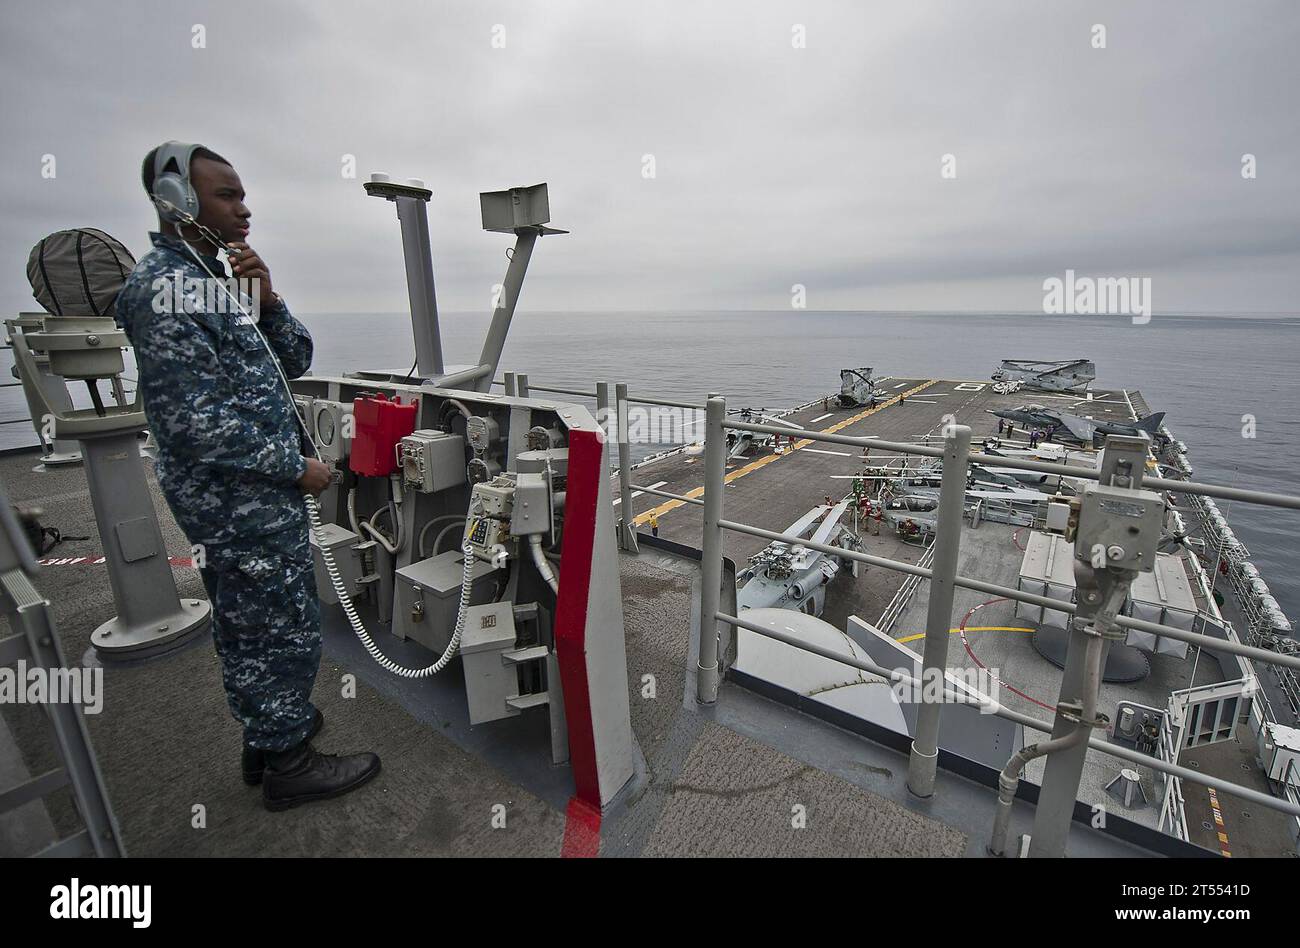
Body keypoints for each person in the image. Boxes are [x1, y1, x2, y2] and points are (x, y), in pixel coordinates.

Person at [115, 141, 380, 811]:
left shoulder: (214, 283)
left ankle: (268, 737)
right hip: (239, 503)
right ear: (177, 201)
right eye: (227, 195)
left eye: (241, 194)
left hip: (252, 499)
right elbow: (190, 426)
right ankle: (289, 762)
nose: (245, 208)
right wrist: (298, 469)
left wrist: (268, 299)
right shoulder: (165, 290)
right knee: (279, 626)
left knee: (250, 622)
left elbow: (291, 358)